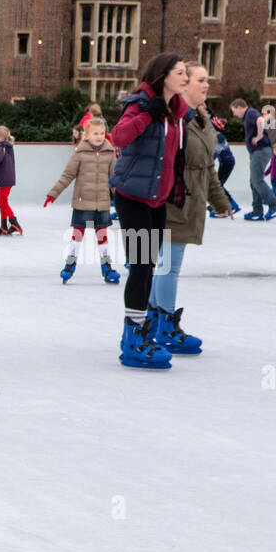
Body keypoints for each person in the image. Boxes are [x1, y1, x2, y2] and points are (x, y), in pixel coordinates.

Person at [109, 52, 189, 369]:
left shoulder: (177, 112)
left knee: (150, 265)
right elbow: (120, 136)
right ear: (163, 75)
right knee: (140, 265)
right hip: (134, 196)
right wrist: (146, 115)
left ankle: (142, 330)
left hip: (158, 198)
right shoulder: (140, 104)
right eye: (180, 72)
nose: (184, 77)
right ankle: (132, 338)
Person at [148, 61, 233, 355]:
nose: (206, 85)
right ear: (184, 85)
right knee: (167, 265)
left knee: (165, 264)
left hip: (189, 201)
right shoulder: (175, 119)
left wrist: (220, 201)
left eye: (207, 79)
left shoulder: (200, 118)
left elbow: (208, 166)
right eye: (200, 79)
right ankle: (163, 325)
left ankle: (156, 322)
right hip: (173, 200)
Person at [44, 117, 118, 283]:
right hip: (83, 200)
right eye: (95, 133)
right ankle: (70, 264)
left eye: (102, 133)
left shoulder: (110, 152)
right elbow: (68, 175)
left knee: (103, 234)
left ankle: (107, 267)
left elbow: (115, 178)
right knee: (78, 234)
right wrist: (53, 193)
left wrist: (120, 198)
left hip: (102, 202)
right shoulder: (80, 152)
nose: (99, 136)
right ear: (86, 135)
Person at [229, 97, 276, 220]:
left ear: (239, 107)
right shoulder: (248, 115)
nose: (234, 114)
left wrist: (259, 137)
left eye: (234, 110)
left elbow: (260, 120)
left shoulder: (250, 113)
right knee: (254, 181)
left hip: (260, 151)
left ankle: (275, 205)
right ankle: (257, 210)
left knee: (257, 180)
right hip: (257, 152)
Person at [0, 126, 21, 236]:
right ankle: (3, 226)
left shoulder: (1, 146)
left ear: (0, 137)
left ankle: (14, 223)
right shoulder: (5, 146)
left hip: (3, 178)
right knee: (1, 202)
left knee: (2, 202)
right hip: (6, 178)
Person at [209, 131, 240, 215]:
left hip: (227, 163)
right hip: (225, 163)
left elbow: (215, 152)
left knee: (218, 185)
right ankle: (229, 205)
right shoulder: (216, 136)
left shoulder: (219, 137)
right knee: (219, 184)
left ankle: (232, 205)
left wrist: (209, 162)